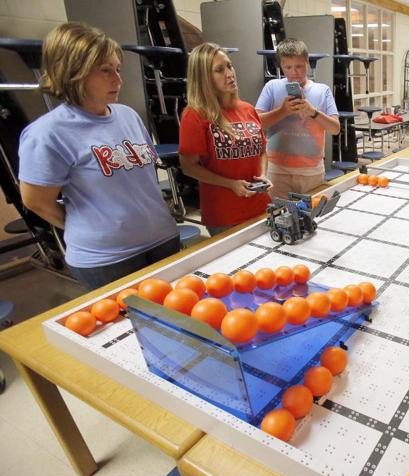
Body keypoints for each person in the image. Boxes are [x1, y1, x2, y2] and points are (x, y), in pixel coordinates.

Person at [18, 22, 179, 291]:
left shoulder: (127, 115)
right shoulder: (47, 133)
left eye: (118, 69)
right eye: (105, 71)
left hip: (162, 239)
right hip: (108, 260)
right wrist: (94, 228)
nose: (118, 79)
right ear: (72, 72)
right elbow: (36, 201)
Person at [179, 43, 271, 237]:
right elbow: (188, 166)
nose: (229, 74)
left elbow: (262, 150)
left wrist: (263, 175)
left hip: (260, 205)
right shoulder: (195, 115)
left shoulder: (248, 109)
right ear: (204, 78)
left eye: (229, 66)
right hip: (225, 214)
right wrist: (231, 184)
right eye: (219, 70)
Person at [255, 38, 339, 199]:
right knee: (280, 218)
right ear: (281, 66)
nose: (294, 72)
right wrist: (283, 111)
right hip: (277, 170)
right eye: (288, 67)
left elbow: (335, 128)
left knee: (312, 217)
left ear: (307, 62)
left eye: (299, 66)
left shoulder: (322, 90)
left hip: (312, 170)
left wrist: (313, 112)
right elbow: (256, 123)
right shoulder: (272, 87)